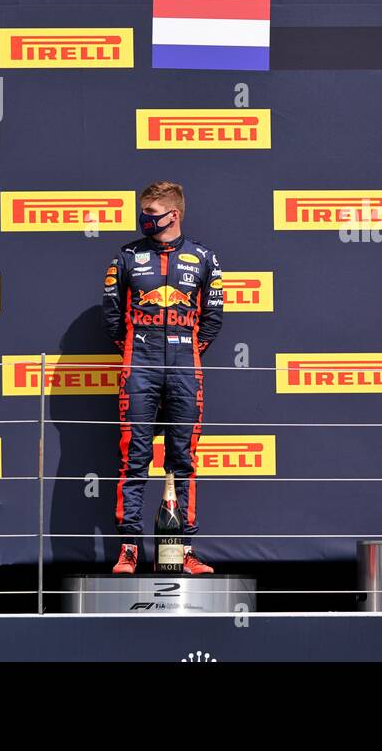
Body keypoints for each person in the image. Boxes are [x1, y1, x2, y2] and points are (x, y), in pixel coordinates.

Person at [103, 181, 223, 574]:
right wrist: (139, 351)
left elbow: (212, 320)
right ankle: (129, 548)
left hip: (185, 366)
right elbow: (112, 317)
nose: (144, 221)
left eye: (152, 215)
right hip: (139, 364)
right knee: (133, 458)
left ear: (174, 215)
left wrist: (184, 351)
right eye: (143, 214)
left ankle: (182, 549)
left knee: (182, 459)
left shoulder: (204, 258)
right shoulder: (126, 257)